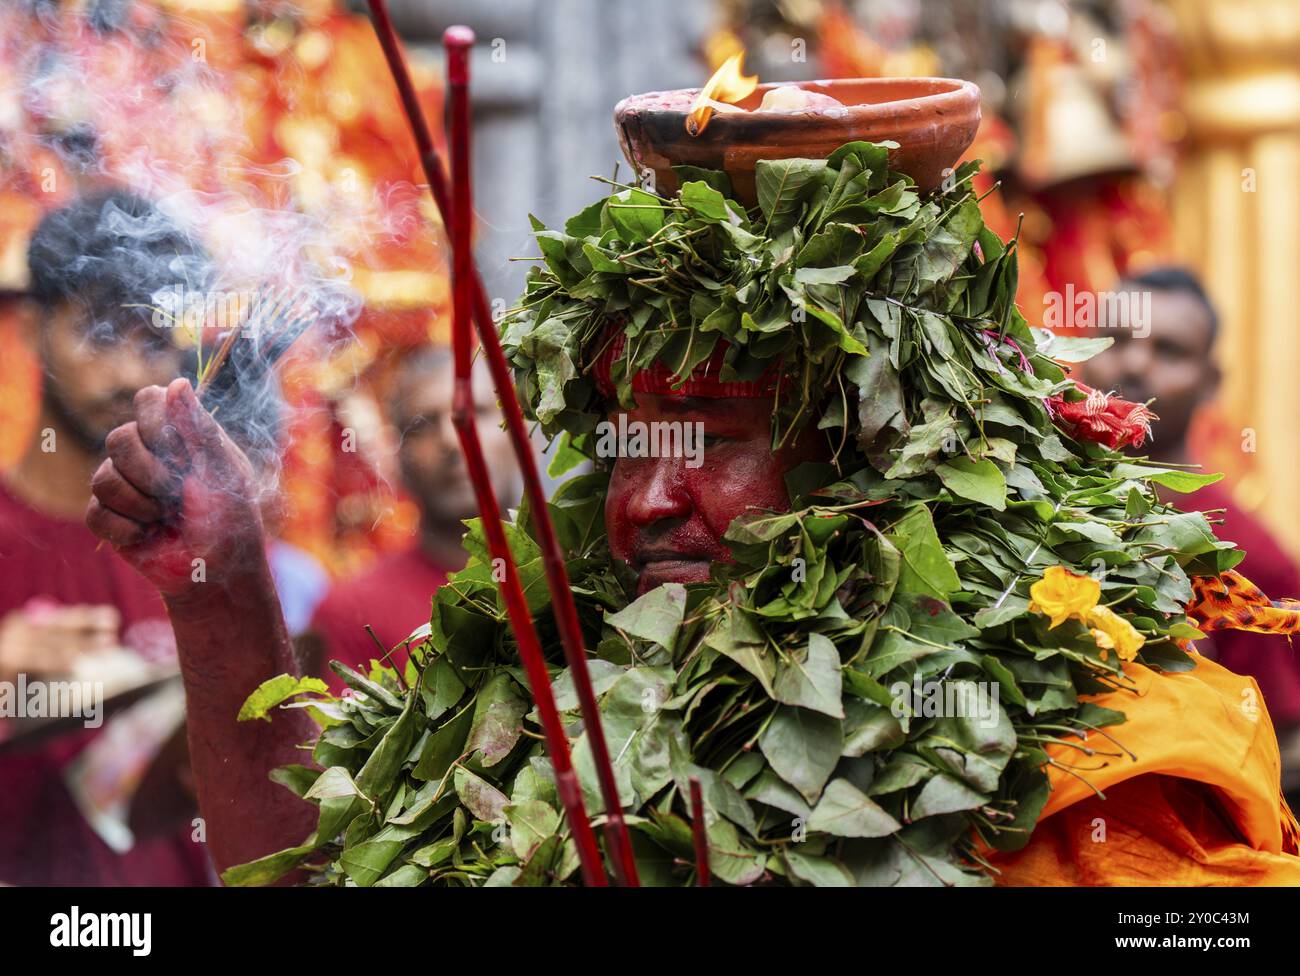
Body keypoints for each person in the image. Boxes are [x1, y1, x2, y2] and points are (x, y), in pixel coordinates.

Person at [86, 148, 1300, 885]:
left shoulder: (1086, 751)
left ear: (868, 459)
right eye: (626, 443)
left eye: (711, 440)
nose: (647, 496)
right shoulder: (548, 692)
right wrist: (220, 591)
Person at [0, 188, 212, 885]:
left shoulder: (206, 545)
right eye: (98, 334)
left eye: (153, 340)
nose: (128, 374)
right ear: (32, 329)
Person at [1078, 268, 1300, 741]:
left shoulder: (1253, 562)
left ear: (1210, 381)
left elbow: (1277, 751)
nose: (1134, 364)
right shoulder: (1023, 489)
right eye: (1115, 339)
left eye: (1169, 350)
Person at [300, 347, 518, 688]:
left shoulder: (579, 573)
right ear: (395, 456)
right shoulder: (351, 612)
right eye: (423, 425)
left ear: (521, 434)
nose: (451, 439)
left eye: (473, 413)